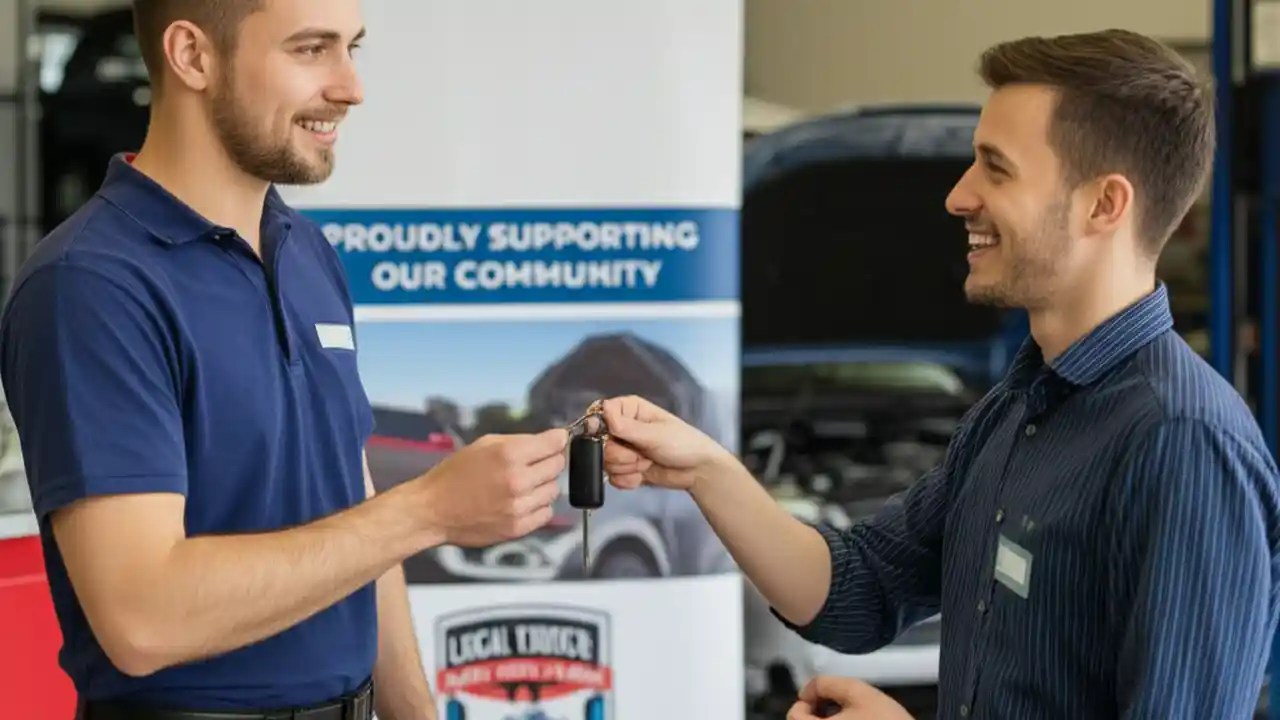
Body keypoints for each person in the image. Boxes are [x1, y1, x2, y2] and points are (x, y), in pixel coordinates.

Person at [598, 29, 1280, 720]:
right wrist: (706, 471)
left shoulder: (1182, 443)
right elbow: (854, 592)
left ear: (1104, 204)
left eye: (996, 168)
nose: (957, 196)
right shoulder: (1016, 409)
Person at [0, 1, 568, 718]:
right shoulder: (90, 284)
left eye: (351, 48)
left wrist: (413, 711)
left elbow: (351, 500)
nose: (351, 86)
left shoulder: (307, 253)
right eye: (311, 50)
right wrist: (428, 509)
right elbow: (143, 619)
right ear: (192, 56)